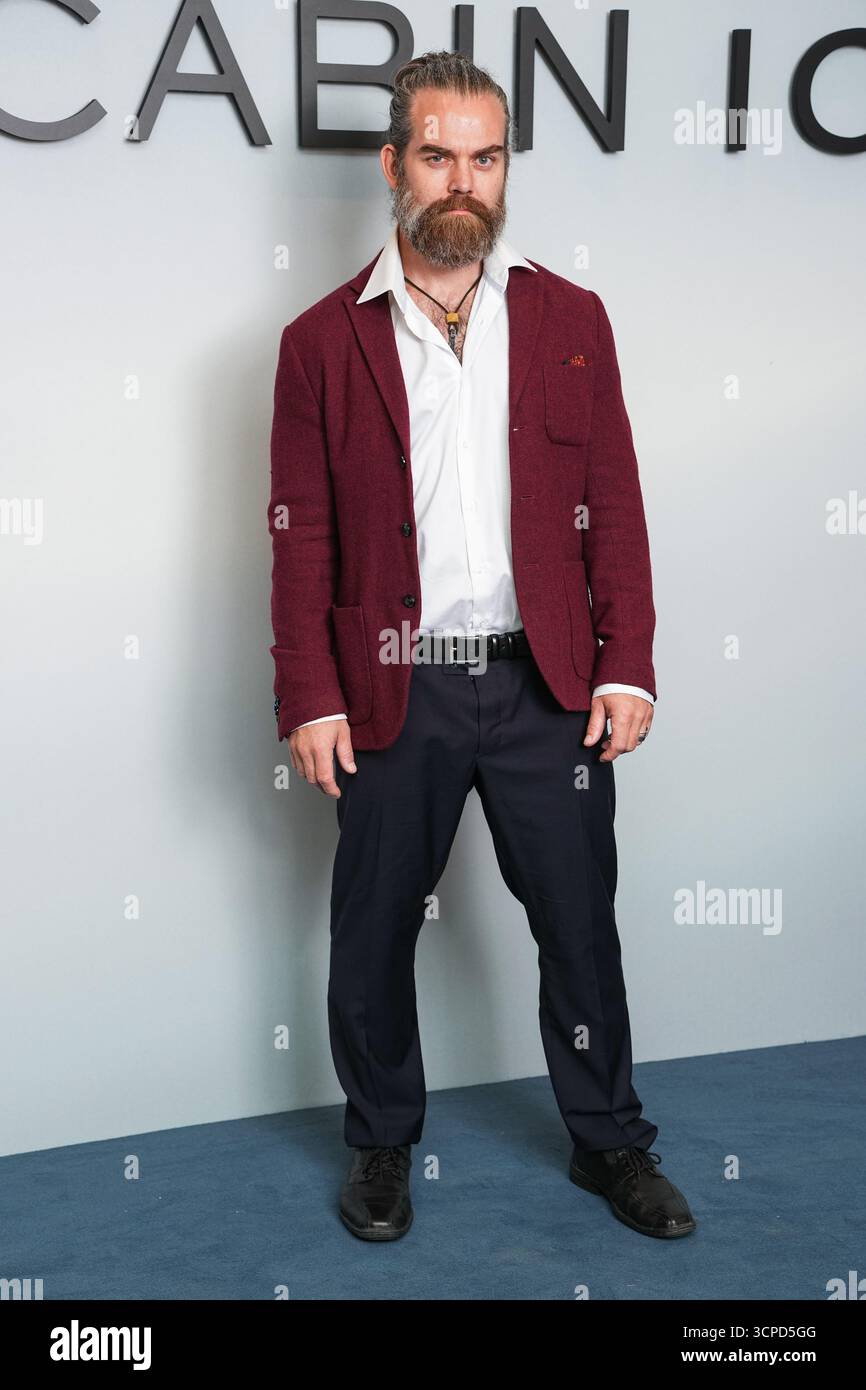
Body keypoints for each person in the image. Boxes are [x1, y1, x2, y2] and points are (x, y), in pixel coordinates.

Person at [268, 50, 695, 1243]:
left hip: (543, 686)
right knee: (371, 930)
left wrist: (626, 660)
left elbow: (612, 501)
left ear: (505, 169)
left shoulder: (568, 318)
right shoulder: (317, 343)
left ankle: (609, 1142)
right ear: (394, 163)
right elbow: (300, 539)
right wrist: (308, 693)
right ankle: (381, 1146)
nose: (465, 180)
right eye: (441, 154)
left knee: (577, 925)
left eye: (488, 157)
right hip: (388, 682)